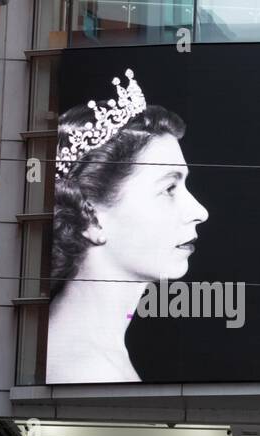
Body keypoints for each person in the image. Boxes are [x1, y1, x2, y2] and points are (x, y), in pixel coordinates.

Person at [48, 68, 209, 385]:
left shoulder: (101, 352)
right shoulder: (84, 372)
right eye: (168, 189)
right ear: (91, 218)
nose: (200, 211)